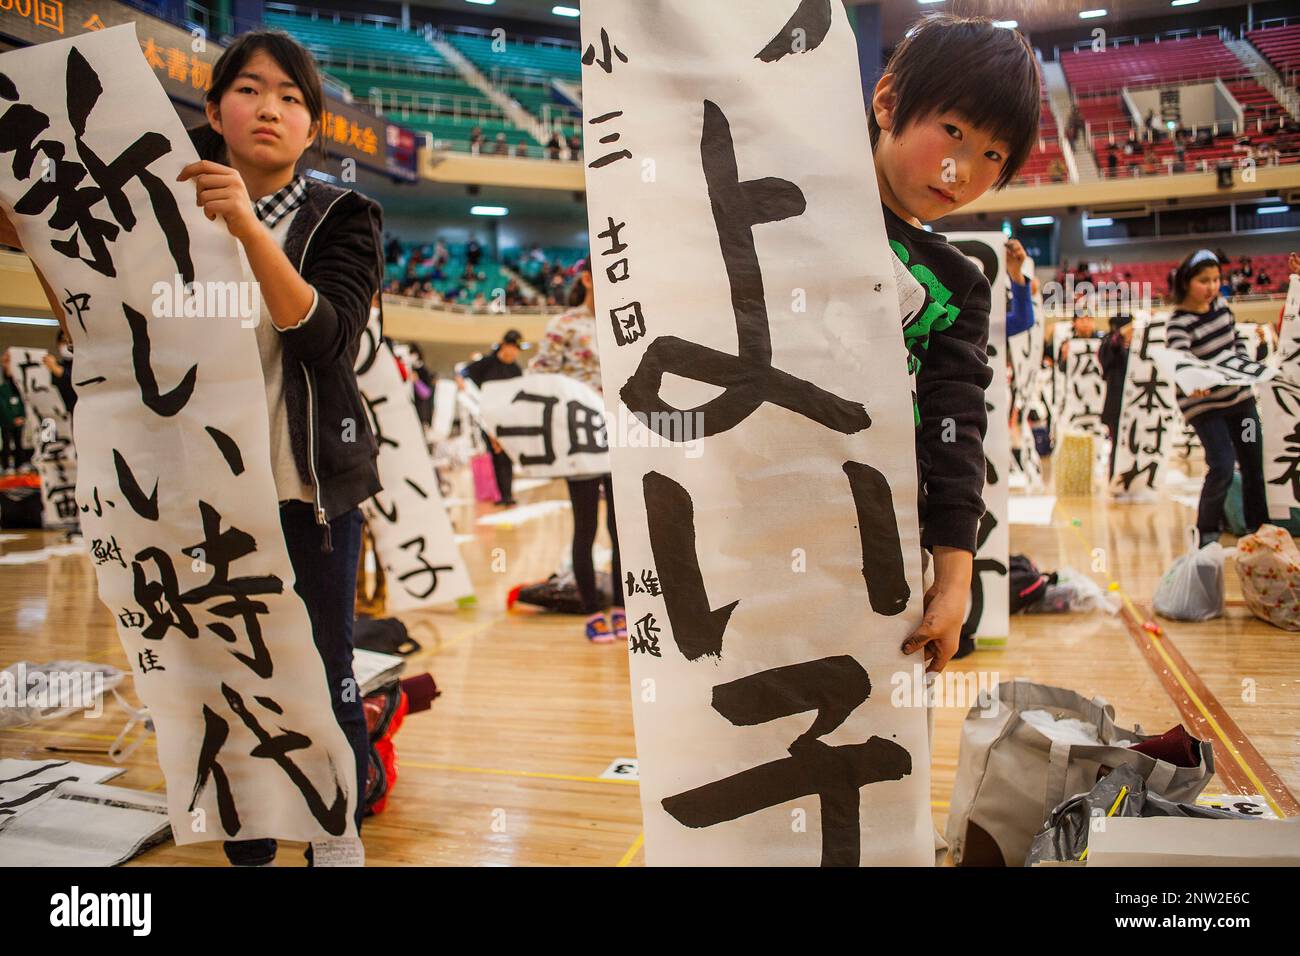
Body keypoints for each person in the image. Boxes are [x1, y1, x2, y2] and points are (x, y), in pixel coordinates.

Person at [180, 30, 383, 865]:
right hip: (198, 493)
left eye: (292, 98)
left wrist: (248, 229)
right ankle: (250, 849)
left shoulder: (344, 215)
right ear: (213, 108)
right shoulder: (160, 208)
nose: (270, 108)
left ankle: (335, 842)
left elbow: (324, 337)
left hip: (307, 493)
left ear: (311, 129)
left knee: (324, 675)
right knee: (226, 688)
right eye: (251, 89)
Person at [868, 14, 1039, 673]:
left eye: (993, 155)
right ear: (888, 103)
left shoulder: (959, 284)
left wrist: (956, 578)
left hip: (870, 532)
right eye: (954, 131)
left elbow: (955, 426)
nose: (962, 169)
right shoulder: (793, 204)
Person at [528, 259, 626, 643]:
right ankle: (590, 609)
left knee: (622, 528)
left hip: (621, 434)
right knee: (585, 525)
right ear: (587, 278)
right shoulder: (564, 325)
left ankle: (622, 606)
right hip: (579, 438)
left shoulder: (626, 317)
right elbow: (539, 374)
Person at [1166, 250, 1267, 545]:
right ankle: (1206, 532)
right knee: (1222, 463)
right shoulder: (1179, 322)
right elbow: (1179, 362)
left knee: (1252, 461)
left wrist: (1247, 366)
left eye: (1216, 279)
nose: (1211, 287)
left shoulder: (1222, 308)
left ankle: (1260, 530)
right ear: (1186, 282)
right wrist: (1192, 381)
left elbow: (1236, 343)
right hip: (1205, 408)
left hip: (1241, 402)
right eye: (1203, 280)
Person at [458, 330, 526, 506]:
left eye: (517, 349)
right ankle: (500, 494)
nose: (514, 352)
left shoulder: (515, 369)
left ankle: (507, 494)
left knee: (507, 454)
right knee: (495, 453)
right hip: (487, 417)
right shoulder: (486, 363)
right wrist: (462, 384)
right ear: (504, 345)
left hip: (508, 418)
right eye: (512, 347)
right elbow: (463, 373)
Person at [1098, 315, 1134, 479]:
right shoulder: (1108, 344)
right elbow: (1109, 353)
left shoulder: (1137, 346)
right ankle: (1115, 477)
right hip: (1117, 402)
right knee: (1118, 443)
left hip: (1135, 402)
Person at [0, 351, 25, 474]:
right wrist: (11, 419)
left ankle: (19, 465)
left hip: (19, 420)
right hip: (7, 421)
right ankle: (6, 466)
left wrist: (22, 417)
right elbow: (3, 406)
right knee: (6, 443)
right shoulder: (2, 389)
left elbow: (23, 403)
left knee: (19, 442)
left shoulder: (19, 389)